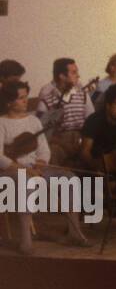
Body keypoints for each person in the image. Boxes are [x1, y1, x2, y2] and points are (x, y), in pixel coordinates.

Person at [0, 81, 92, 253]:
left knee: (69, 178)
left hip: (35, 168)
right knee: (25, 182)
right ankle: (25, 240)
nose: (25, 101)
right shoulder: (1, 123)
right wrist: (25, 170)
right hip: (9, 171)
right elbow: (0, 157)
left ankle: (75, 233)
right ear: (8, 102)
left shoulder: (34, 120)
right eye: (21, 98)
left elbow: (43, 148)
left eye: (26, 97)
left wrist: (41, 163)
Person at [36, 57, 96, 165]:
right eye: (74, 72)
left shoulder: (83, 95)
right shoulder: (46, 101)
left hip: (82, 137)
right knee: (52, 153)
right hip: (58, 141)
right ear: (62, 76)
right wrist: (64, 144)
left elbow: (92, 121)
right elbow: (42, 132)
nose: (78, 75)